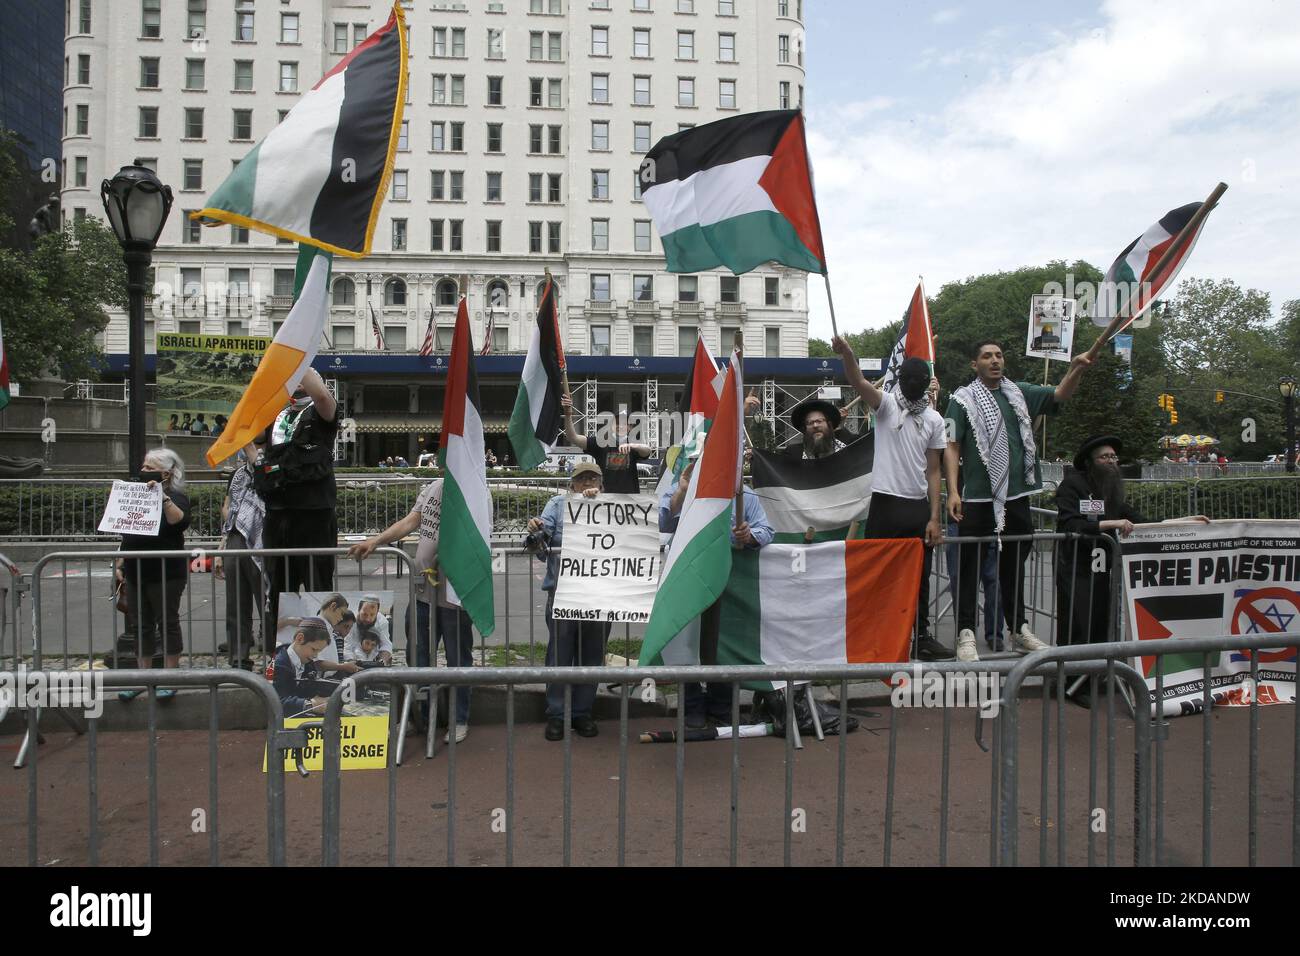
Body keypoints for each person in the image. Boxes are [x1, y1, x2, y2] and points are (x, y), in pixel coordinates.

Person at [944, 340, 1093, 662]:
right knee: (968, 568)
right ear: (975, 364)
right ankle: (965, 633)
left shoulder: (1019, 392)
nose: (995, 361)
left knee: (1013, 567)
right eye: (987, 356)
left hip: (1017, 496)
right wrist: (954, 491)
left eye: (999, 355)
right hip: (978, 497)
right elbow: (952, 446)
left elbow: (1058, 396)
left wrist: (1076, 369)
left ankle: (1019, 628)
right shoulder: (961, 399)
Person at [1055, 435, 1211, 705]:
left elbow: (1141, 522)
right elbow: (1071, 523)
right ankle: (1071, 682)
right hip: (1077, 569)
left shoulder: (1110, 491)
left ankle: (1094, 676)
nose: (1112, 462)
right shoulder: (1073, 485)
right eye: (1105, 457)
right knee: (1079, 624)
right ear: (1091, 461)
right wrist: (1111, 524)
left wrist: (1185, 522)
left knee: (1102, 624)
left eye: (1114, 457)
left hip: (1104, 573)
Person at [832, 338, 949, 660]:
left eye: (920, 383)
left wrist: (935, 518)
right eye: (909, 381)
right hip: (885, 502)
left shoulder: (934, 420)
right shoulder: (886, 405)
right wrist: (849, 354)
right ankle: (873, 637)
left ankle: (920, 637)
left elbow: (934, 470)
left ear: (927, 384)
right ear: (900, 381)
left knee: (920, 577)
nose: (914, 386)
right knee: (878, 574)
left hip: (916, 507)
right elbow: (858, 381)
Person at [348, 480, 476, 744]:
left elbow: (477, 534)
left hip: (455, 595)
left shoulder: (475, 488)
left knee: (458, 659)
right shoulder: (433, 487)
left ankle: (459, 718)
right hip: (422, 593)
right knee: (417, 657)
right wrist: (376, 540)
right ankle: (422, 716)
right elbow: (411, 521)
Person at [660, 455, 775, 728]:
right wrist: (682, 492)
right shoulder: (682, 488)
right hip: (688, 580)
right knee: (685, 643)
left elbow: (766, 529)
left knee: (722, 641)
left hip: (728, 583)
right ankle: (691, 706)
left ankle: (720, 706)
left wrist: (750, 536)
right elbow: (661, 521)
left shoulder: (744, 495)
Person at [255, 367, 340, 647]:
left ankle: (322, 653)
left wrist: (299, 364)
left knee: (317, 584)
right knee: (279, 588)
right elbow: (252, 441)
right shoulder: (277, 413)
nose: (296, 383)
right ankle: (281, 656)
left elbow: (324, 397)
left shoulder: (320, 412)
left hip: (314, 513)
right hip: (279, 511)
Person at [526, 461, 609, 740]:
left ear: (601, 483)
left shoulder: (615, 506)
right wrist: (535, 530)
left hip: (599, 595)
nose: (587, 483)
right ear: (572, 484)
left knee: (592, 655)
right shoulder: (557, 504)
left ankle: (583, 713)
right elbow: (541, 539)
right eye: (581, 479)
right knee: (559, 654)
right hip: (563, 593)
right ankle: (558, 715)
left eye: (592, 478)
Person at [114, 448, 191, 700]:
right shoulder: (136, 494)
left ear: (166, 474)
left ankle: (170, 676)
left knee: (167, 621)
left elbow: (179, 521)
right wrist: (121, 562)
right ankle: (142, 677)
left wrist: (162, 498)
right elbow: (128, 530)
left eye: (150, 467)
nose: (144, 470)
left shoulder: (176, 497)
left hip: (167, 572)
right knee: (140, 625)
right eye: (144, 466)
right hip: (137, 569)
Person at [215, 437, 267, 670]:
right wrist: (223, 545)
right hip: (237, 538)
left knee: (268, 602)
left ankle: (276, 659)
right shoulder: (238, 475)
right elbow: (230, 507)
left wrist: (254, 454)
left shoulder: (273, 467)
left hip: (264, 540)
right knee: (236, 603)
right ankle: (238, 659)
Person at [560, 393, 652, 493]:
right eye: (617, 423)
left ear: (631, 427)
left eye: (625, 423)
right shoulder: (600, 442)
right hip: (604, 499)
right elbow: (573, 437)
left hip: (629, 501)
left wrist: (632, 445)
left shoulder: (634, 446)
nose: (620, 426)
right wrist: (567, 413)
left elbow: (647, 451)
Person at [272, 617, 334, 717]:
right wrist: (311, 704)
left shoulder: (308, 664)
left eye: (319, 652)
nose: (315, 656)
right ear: (300, 639)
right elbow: (274, 701)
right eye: (314, 649)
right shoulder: (277, 664)